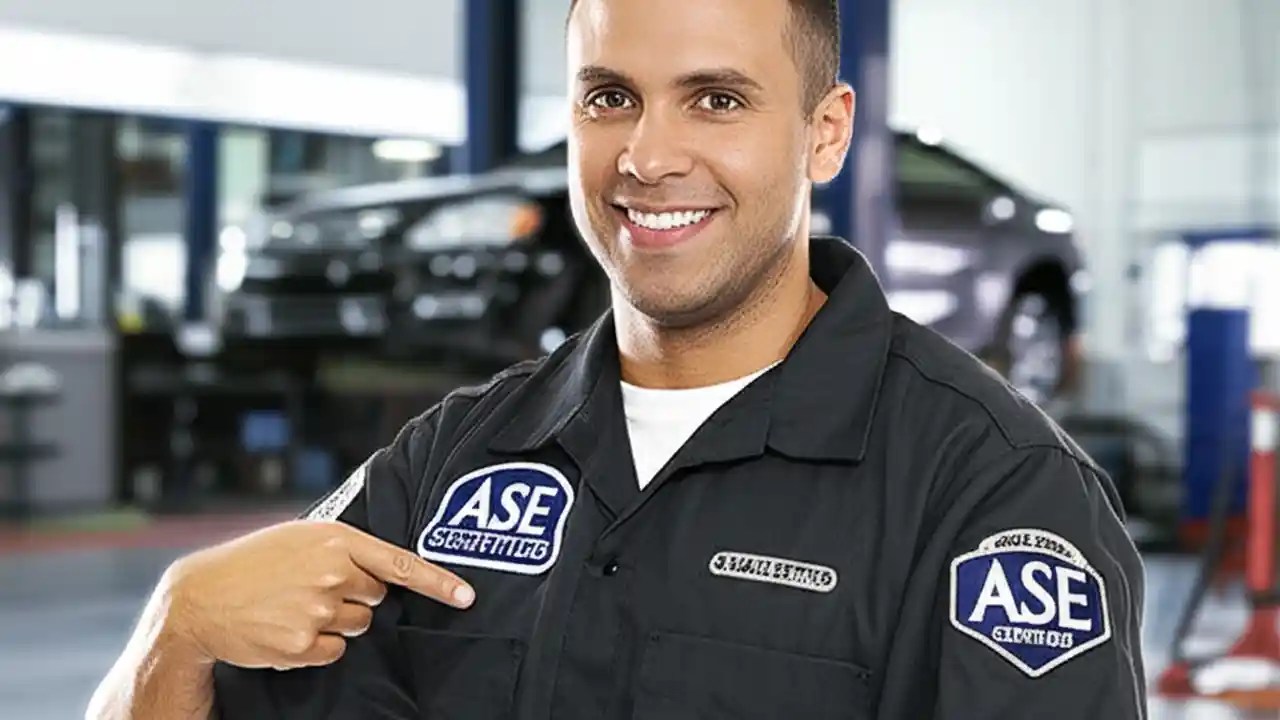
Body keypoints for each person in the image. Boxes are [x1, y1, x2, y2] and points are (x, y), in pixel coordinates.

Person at [88, 0, 1147, 717]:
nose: (646, 155)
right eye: (608, 97)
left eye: (716, 100)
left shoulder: (994, 495)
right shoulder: (449, 463)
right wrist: (173, 630)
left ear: (824, 136)